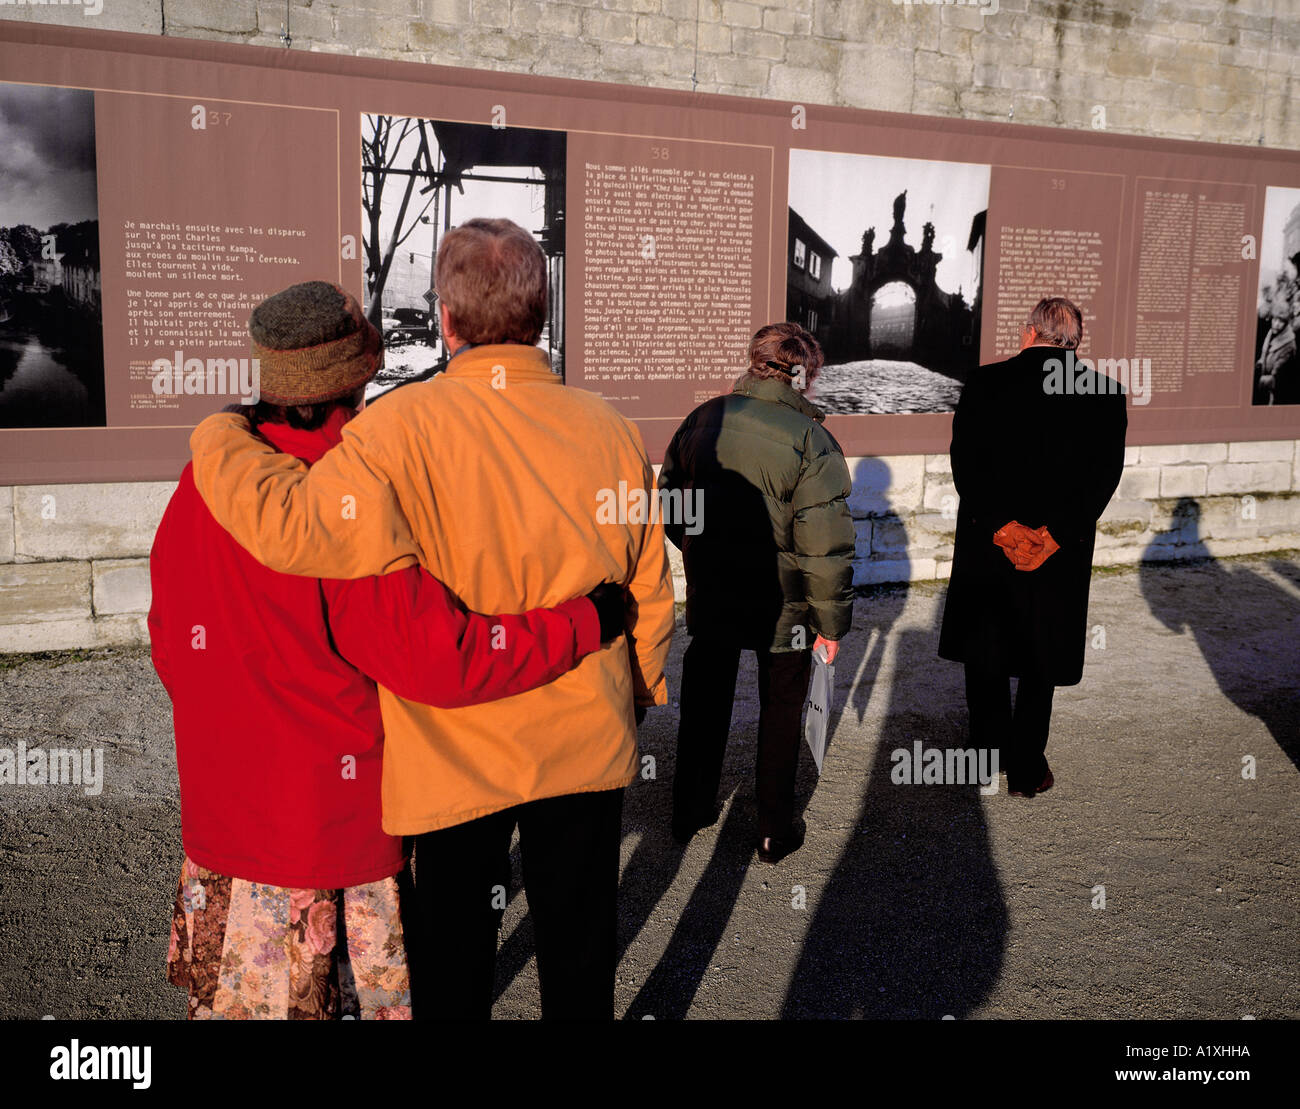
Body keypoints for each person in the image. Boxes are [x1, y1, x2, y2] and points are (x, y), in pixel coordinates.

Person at [185, 222, 675, 1020]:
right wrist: (642, 689)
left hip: (454, 757)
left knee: (452, 971)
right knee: (581, 957)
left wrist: (216, 434)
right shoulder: (615, 432)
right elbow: (650, 587)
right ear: (542, 312)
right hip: (584, 740)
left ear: (445, 317)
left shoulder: (392, 433)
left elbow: (289, 526)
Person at [659, 321, 854, 864]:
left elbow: (671, 501)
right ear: (802, 374)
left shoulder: (703, 419)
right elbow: (824, 544)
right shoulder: (813, 440)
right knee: (782, 708)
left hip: (714, 588)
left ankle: (690, 809)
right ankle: (772, 829)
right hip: (783, 601)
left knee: (705, 700)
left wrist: (698, 553)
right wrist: (831, 626)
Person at [938, 296, 1127, 797]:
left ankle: (983, 757)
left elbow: (966, 464)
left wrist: (1002, 527)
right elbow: (1103, 477)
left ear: (1028, 333)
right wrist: (1054, 535)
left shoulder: (983, 383)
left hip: (989, 542)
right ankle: (1025, 768)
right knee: (1041, 652)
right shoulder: (1105, 392)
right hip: (1057, 551)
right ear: (1075, 341)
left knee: (987, 648)